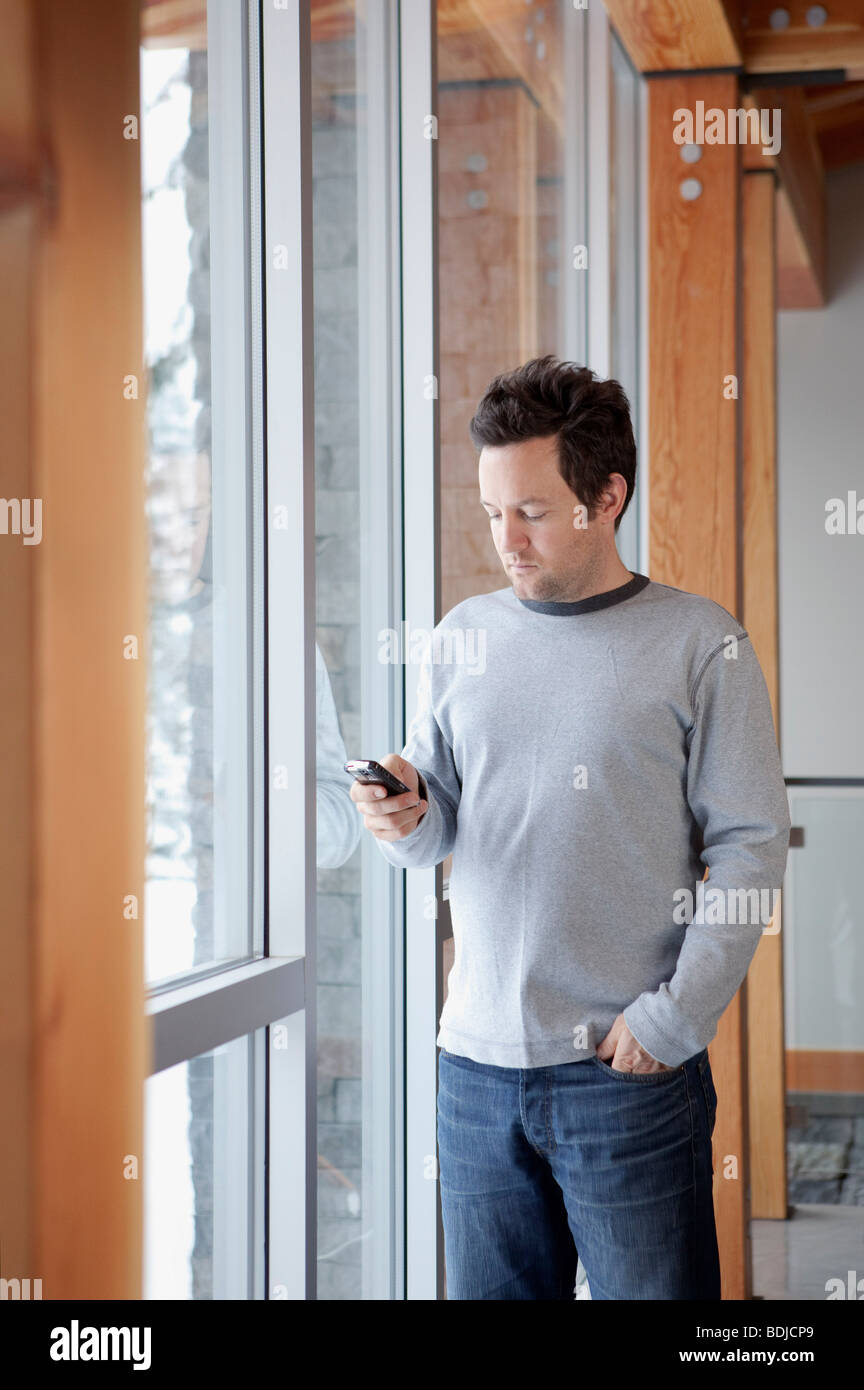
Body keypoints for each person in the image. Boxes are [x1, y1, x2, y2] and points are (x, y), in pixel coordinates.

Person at [350, 355, 791, 1300]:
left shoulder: (700, 643)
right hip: (473, 1069)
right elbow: (442, 828)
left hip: (624, 1073)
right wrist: (403, 814)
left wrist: (673, 1021)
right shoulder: (459, 636)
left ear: (606, 496)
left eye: (533, 512)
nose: (504, 539)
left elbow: (750, 847)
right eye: (491, 512)